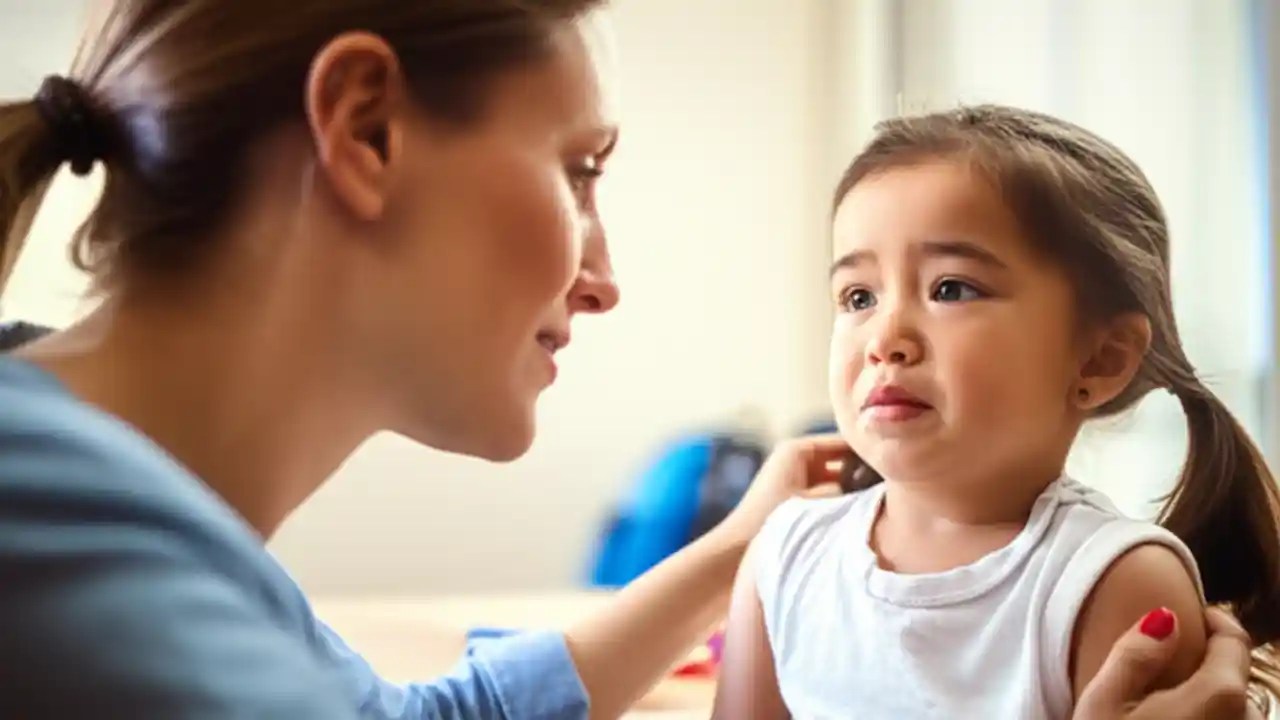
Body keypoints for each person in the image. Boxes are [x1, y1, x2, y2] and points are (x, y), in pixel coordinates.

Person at [0, 1, 1258, 717]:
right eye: (577, 171)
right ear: (366, 130)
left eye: (949, 286)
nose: (601, 277)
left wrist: (731, 554)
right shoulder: (55, 557)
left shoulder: (132, 542)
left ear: (1101, 360)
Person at [710, 104, 1279, 719]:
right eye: (859, 296)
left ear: (1099, 360)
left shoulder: (1111, 583)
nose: (884, 337)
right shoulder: (786, 557)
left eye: (951, 289)